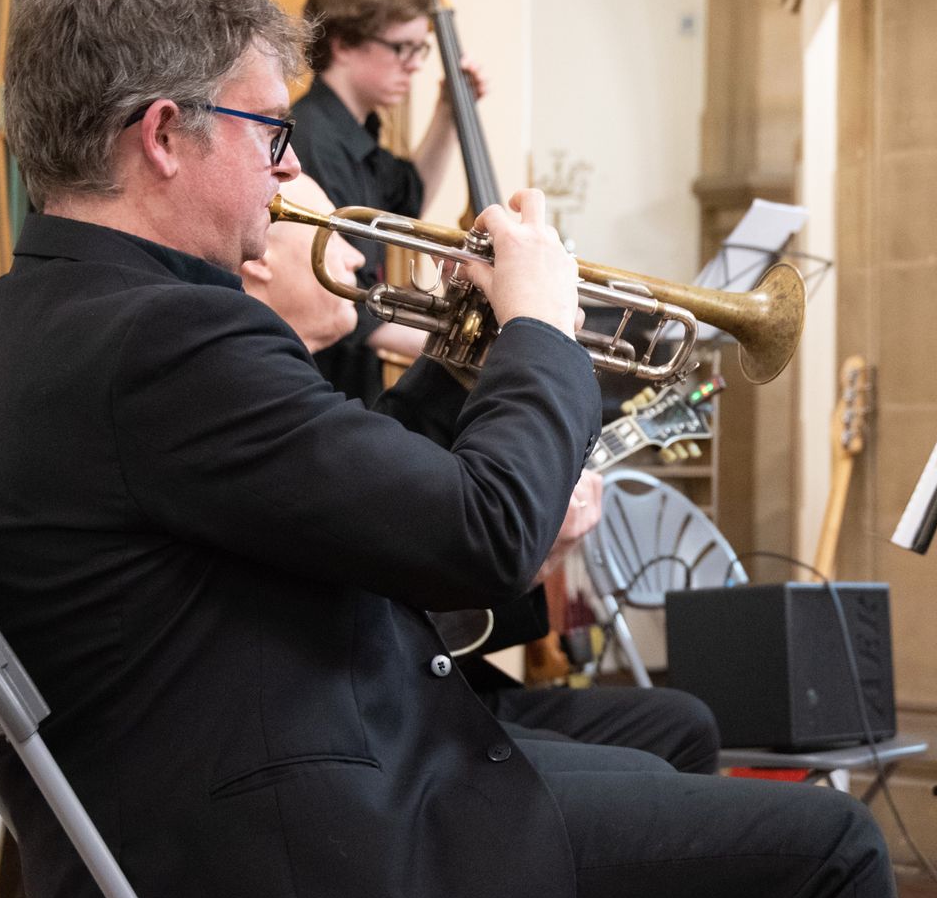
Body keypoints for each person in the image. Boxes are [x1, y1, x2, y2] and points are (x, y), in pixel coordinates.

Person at [0, 0, 901, 898]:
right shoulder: (163, 342)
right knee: (830, 851)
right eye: (270, 132)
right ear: (165, 136)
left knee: (661, 764)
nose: (284, 167)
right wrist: (538, 324)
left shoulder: (64, 313)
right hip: (297, 883)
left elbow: (380, 520)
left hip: (259, 813)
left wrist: (469, 351)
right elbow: (481, 529)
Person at [244, 173, 720, 774]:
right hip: (356, 714)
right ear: (259, 258)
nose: (357, 255)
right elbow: (430, 562)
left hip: (394, 673)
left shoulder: (301, 391)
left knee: (679, 723)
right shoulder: (271, 400)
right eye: (335, 232)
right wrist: (540, 332)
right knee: (657, 774)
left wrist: (463, 353)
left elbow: (424, 552)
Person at [290, 0, 478, 404]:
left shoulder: (356, 134)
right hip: (320, 383)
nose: (414, 65)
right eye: (402, 48)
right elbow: (347, 304)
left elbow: (409, 201)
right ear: (344, 45)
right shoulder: (313, 142)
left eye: (421, 49)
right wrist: (474, 348)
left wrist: (449, 113)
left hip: (350, 381)